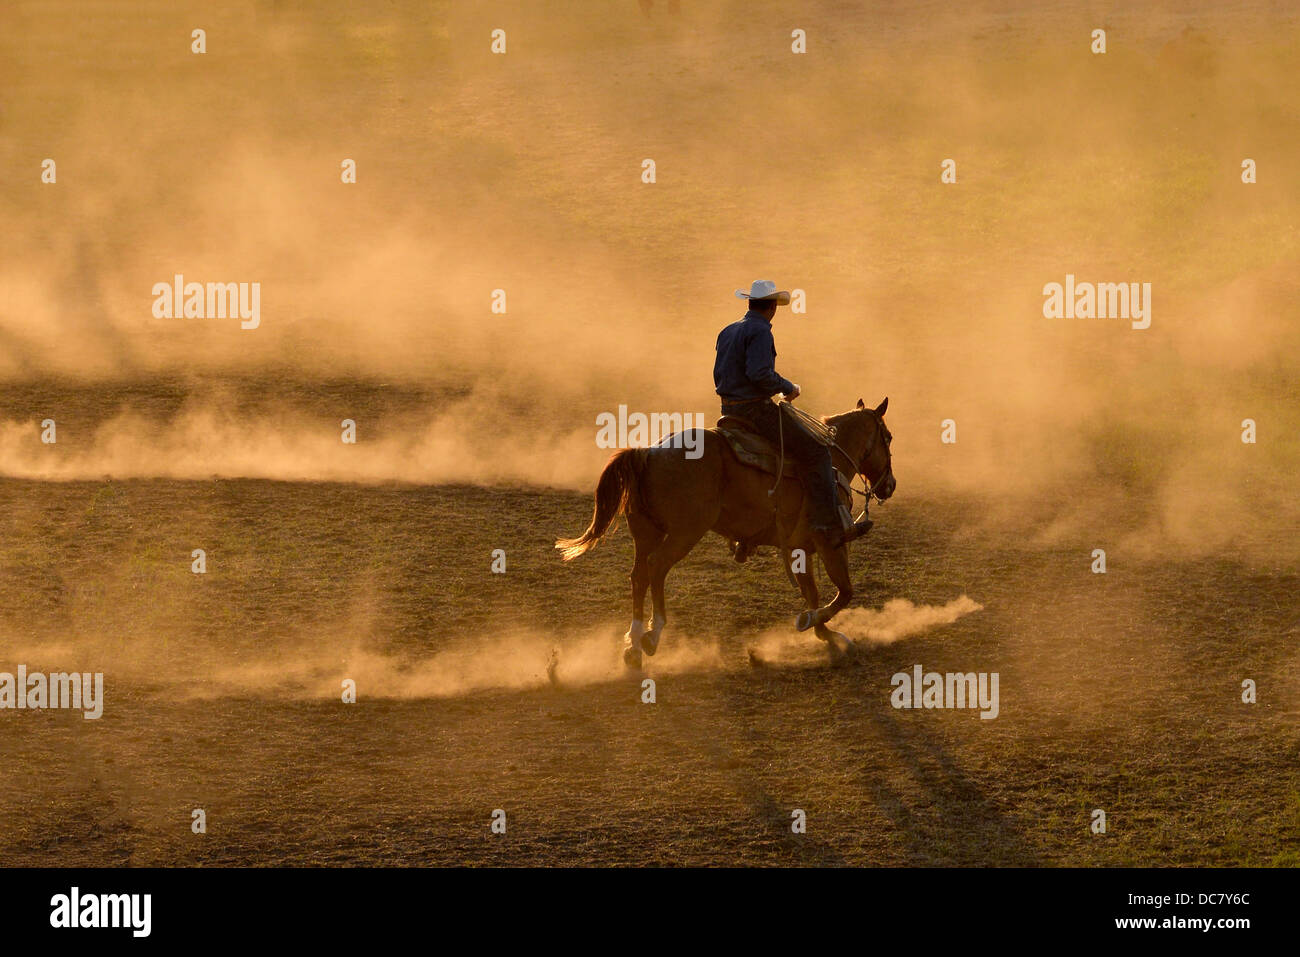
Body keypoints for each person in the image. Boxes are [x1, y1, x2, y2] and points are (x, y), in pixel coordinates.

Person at [713, 280, 871, 551]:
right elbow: (759, 374)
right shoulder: (761, 331)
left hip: (728, 410)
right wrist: (789, 388)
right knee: (816, 450)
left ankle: (750, 529)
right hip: (755, 411)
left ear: (750, 303)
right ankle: (828, 524)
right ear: (772, 306)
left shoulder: (728, 330)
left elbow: (722, 373)